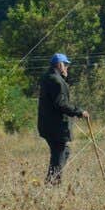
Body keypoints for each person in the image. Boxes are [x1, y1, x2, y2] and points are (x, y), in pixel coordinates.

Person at [37, 52, 89, 184]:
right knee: (59, 153)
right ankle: (52, 183)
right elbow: (61, 103)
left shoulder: (48, 77)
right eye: (65, 65)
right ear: (59, 65)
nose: (67, 68)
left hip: (47, 125)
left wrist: (63, 78)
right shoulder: (56, 81)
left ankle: (51, 181)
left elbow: (58, 96)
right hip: (55, 126)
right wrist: (79, 112)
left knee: (63, 151)